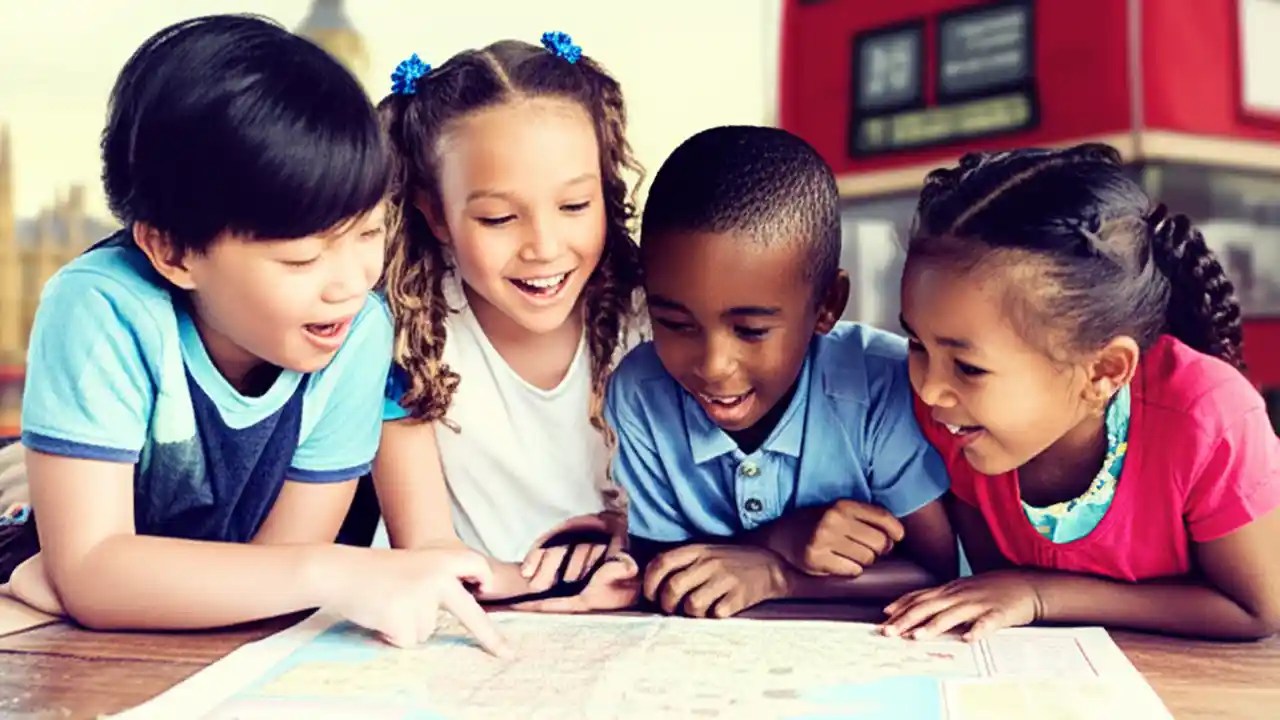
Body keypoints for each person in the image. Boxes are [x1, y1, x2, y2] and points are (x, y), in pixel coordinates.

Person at [5, 14, 506, 654]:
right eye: (302, 259)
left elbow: (281, 568)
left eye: (370, 234)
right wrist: (339, 571)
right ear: (173, 251)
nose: (350, 282)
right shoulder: (103, 309)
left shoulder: (356, 333)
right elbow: (94, 572)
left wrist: (115, 581)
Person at [884, 144, 1280, 641]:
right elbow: (990, 588)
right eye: (917, 344)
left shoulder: (1210, 418)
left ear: (1103, 371)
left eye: (968, 366)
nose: (930, 389)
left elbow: (1255, 609)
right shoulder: (958, 424)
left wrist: (1039, 595)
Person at [607, 125, 957, 619]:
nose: (712, 365)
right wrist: (775, 539)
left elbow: (940, 571)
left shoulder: (881, 385)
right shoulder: (641, 394)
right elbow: (658, 571)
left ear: (827, 306)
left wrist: (777, 574)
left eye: (750, 330)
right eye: (674, 323)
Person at [373, 32, 644, 610]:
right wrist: (544, 583)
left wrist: (629, 544)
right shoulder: (406, 332)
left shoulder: (649, 319)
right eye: (499, 217)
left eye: (574, 206)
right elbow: (427, 550)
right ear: (436, 216)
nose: (544, 247)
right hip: (468, 628)